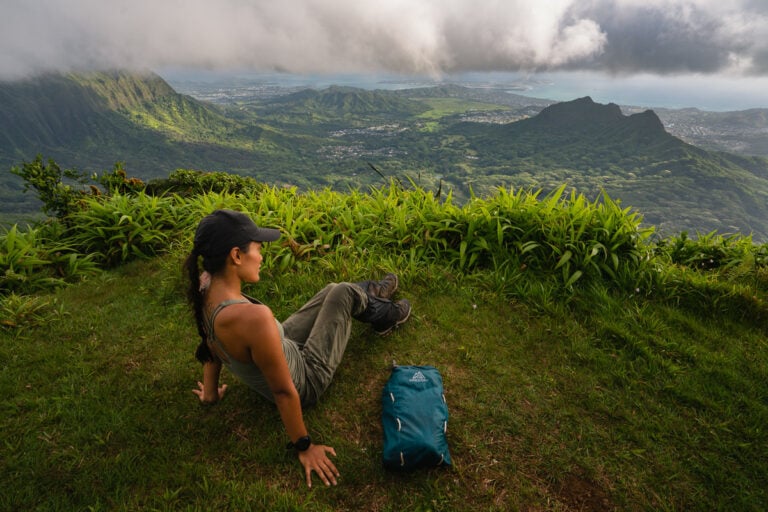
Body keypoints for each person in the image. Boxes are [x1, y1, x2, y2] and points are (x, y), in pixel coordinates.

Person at [184, 209, 412, 488]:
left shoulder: (206, 288)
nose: (262, 255)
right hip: (306, 377)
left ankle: (370, 294)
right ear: (236, 255)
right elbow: (283, 391)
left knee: (333, 289)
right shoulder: (253, 319)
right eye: (258, 248)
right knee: (343, 293)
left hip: (278, 346)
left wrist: (210, 394)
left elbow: (208, 342)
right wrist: (304, 446)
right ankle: (385, 315)